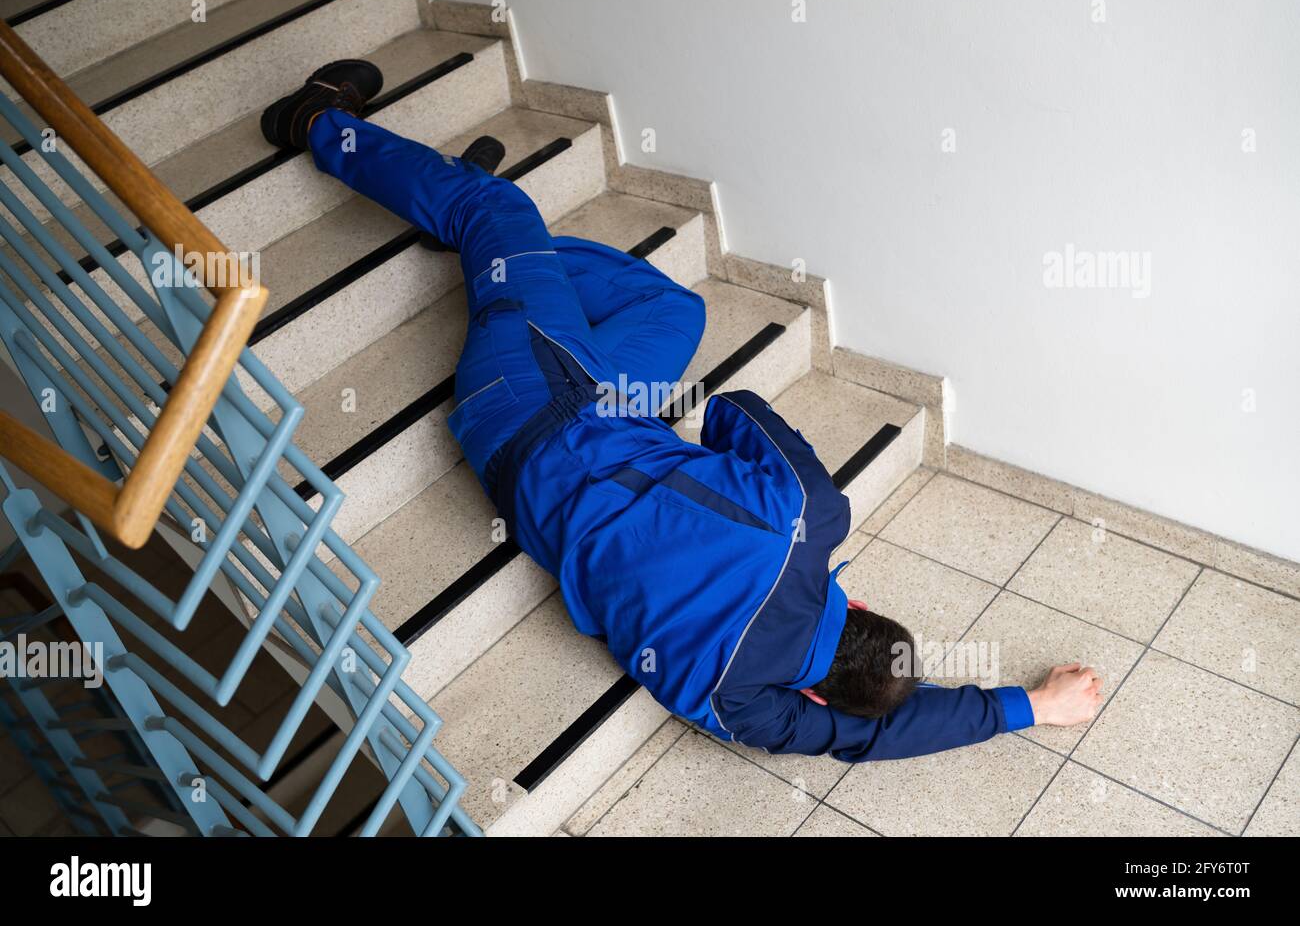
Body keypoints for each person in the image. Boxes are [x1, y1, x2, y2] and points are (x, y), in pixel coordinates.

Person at [261, 61, 1104, 762]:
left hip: (540, 398)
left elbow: (734, 408)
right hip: (515, 464)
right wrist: (1031, 708)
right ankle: (482, 249)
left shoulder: (809, 518)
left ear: (857, 602)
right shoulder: (743, 707)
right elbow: (873, 738)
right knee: (674, 315)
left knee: (500, 212)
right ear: (815, 692)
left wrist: (732, 493)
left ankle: (317, 124)